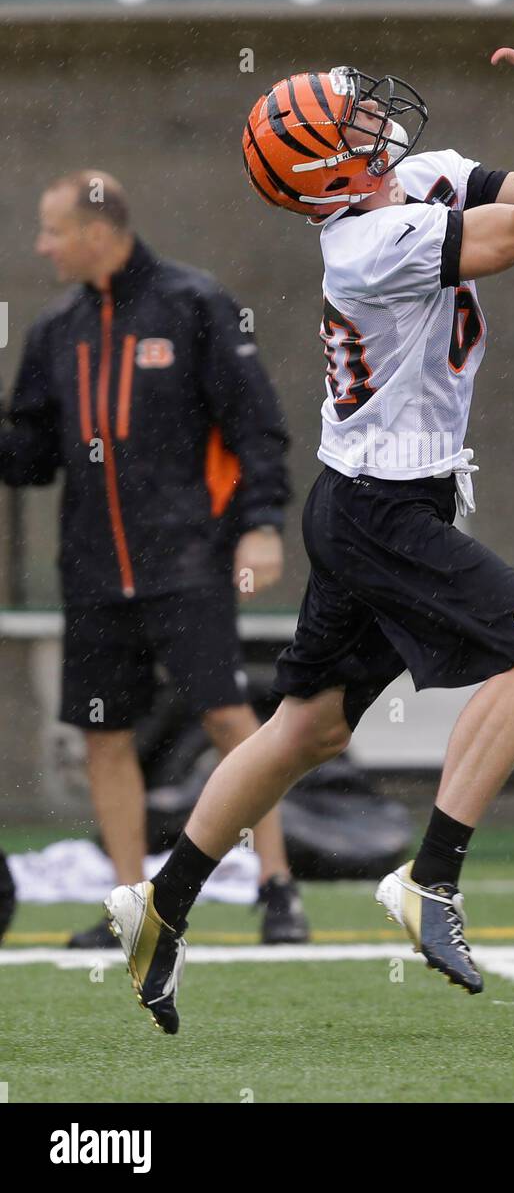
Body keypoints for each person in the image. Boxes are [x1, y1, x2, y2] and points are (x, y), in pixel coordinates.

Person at [105, 0, 514, 1032]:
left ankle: (157, 903)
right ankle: (429, 876)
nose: (373, 121)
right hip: (383, 509)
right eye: (349, 124)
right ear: (324, 171)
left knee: (303, 729)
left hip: (364, 500)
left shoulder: (411, 186)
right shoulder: (366, 244)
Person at [0, 172, 309, 946]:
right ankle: (133, 910)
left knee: (229, 718)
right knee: (106, 735)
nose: (41, 246)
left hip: (188, 562)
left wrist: (261, 524)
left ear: (96, 231)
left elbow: (257, 427)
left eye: (52, 230)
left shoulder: (194, 303)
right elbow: (30, 456)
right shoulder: (55, 330)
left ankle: (278, 889)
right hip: (94, 573)